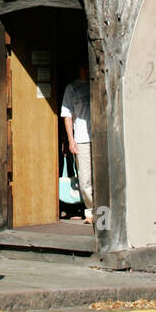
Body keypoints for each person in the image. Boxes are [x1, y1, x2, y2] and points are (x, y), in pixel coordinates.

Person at [61, 68, 93, 224]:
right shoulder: (72, 88)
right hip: (82, 138)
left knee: (100, 178)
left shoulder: (95, 83)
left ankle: (103, 215)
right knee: (85, 178)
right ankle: (91, 211)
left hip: (98, 136)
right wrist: (71, 140)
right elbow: (67, 115)